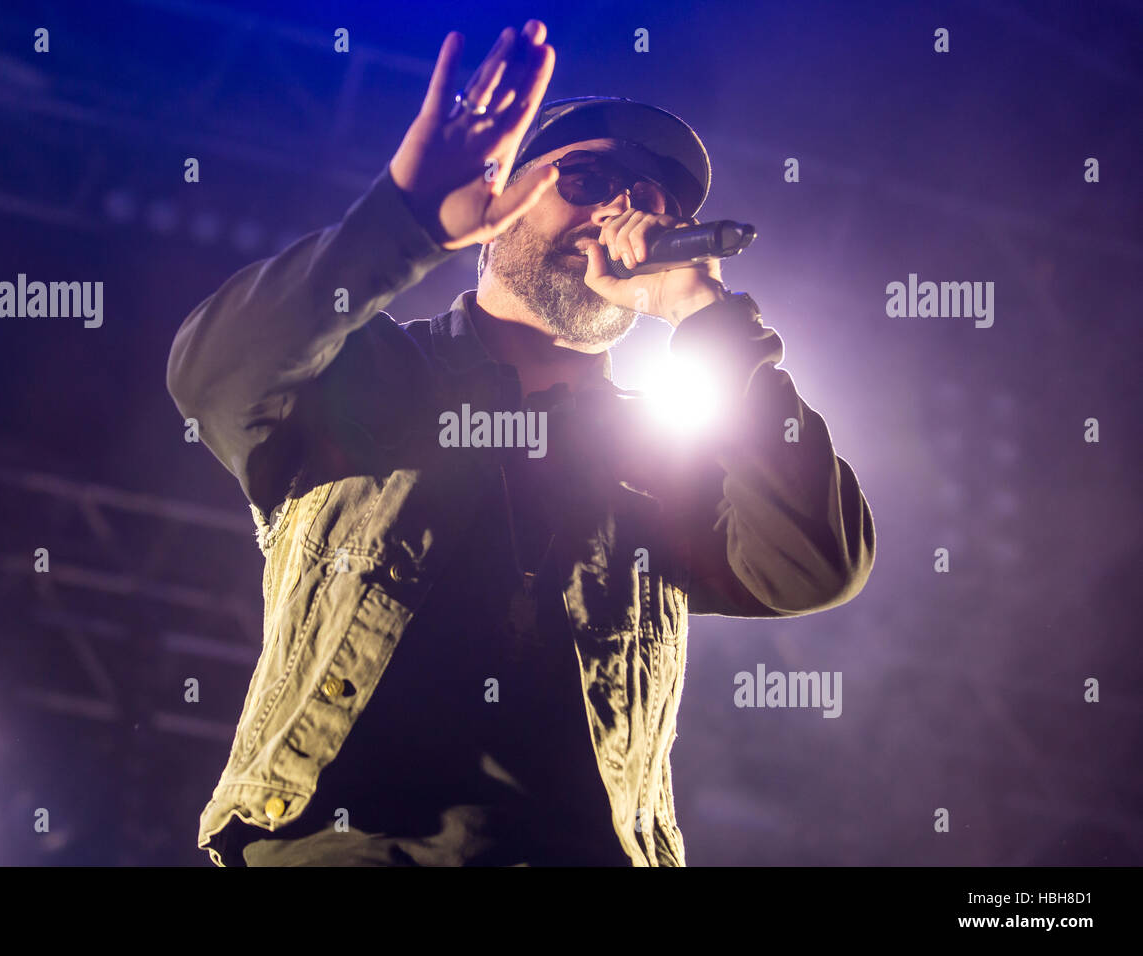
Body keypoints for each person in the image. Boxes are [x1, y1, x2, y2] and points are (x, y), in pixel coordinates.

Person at [166, 19, 876, 867]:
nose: (626, 208)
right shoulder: (377, 372)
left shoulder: (671, 460)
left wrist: (709, 323)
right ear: (504, 198)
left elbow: (816, 566)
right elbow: (211, 372)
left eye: (659, 200)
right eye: (590, 176)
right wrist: (405, 218)